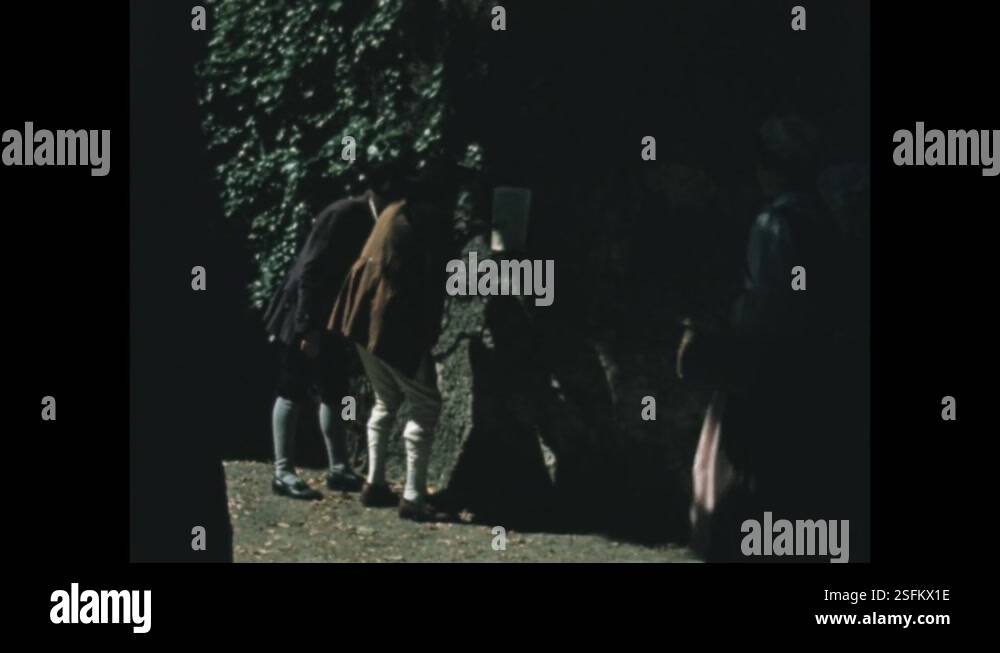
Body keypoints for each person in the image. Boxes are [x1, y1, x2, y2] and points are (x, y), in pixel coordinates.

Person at [679, 114, 858, 560]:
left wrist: (727, 326)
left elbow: (771, 300)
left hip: (772, 361)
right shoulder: (829, 217)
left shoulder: (777, 222)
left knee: (753, 470)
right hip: (817, 361)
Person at [262, 167, 404, 500]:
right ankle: (282, 471)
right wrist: (305, 328)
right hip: (303, 311)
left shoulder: (375, 220)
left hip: (333, 315)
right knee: (292, 387)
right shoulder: (342, 215)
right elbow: (310, 270)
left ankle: (338, 467)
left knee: (335, 387)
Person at [327, 163, 456, 521]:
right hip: (392, 321)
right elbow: (433, 280)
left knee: (385, 399)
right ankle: (414, 496)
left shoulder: (393, 211)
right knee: (425, 404)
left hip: (360, 317)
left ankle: (375, 481)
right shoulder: (426, 218)